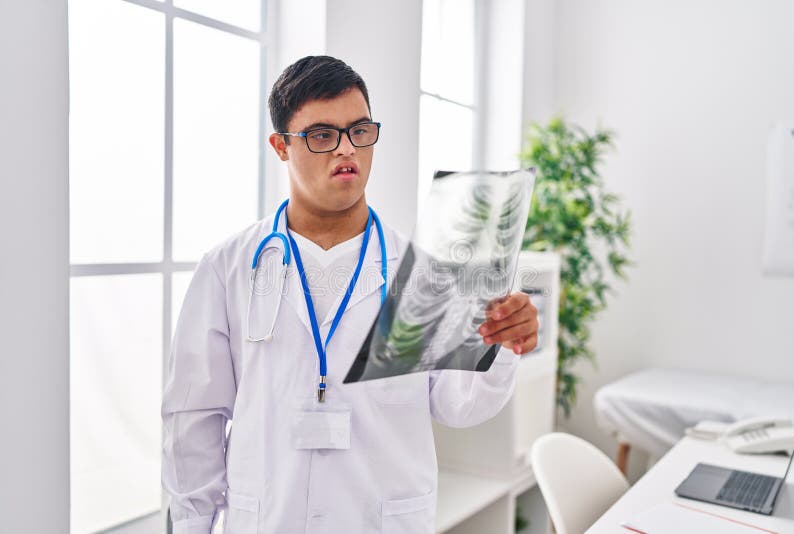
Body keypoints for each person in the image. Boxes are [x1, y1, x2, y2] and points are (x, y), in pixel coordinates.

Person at [162, 55, 539, 534]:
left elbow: (458, 405)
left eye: (360, 130)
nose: (347, 150)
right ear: (281, 146)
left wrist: (502, 341)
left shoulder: (425, 270)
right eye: (322, 136)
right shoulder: (227, 266)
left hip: (383, 519)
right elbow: (193, 417)